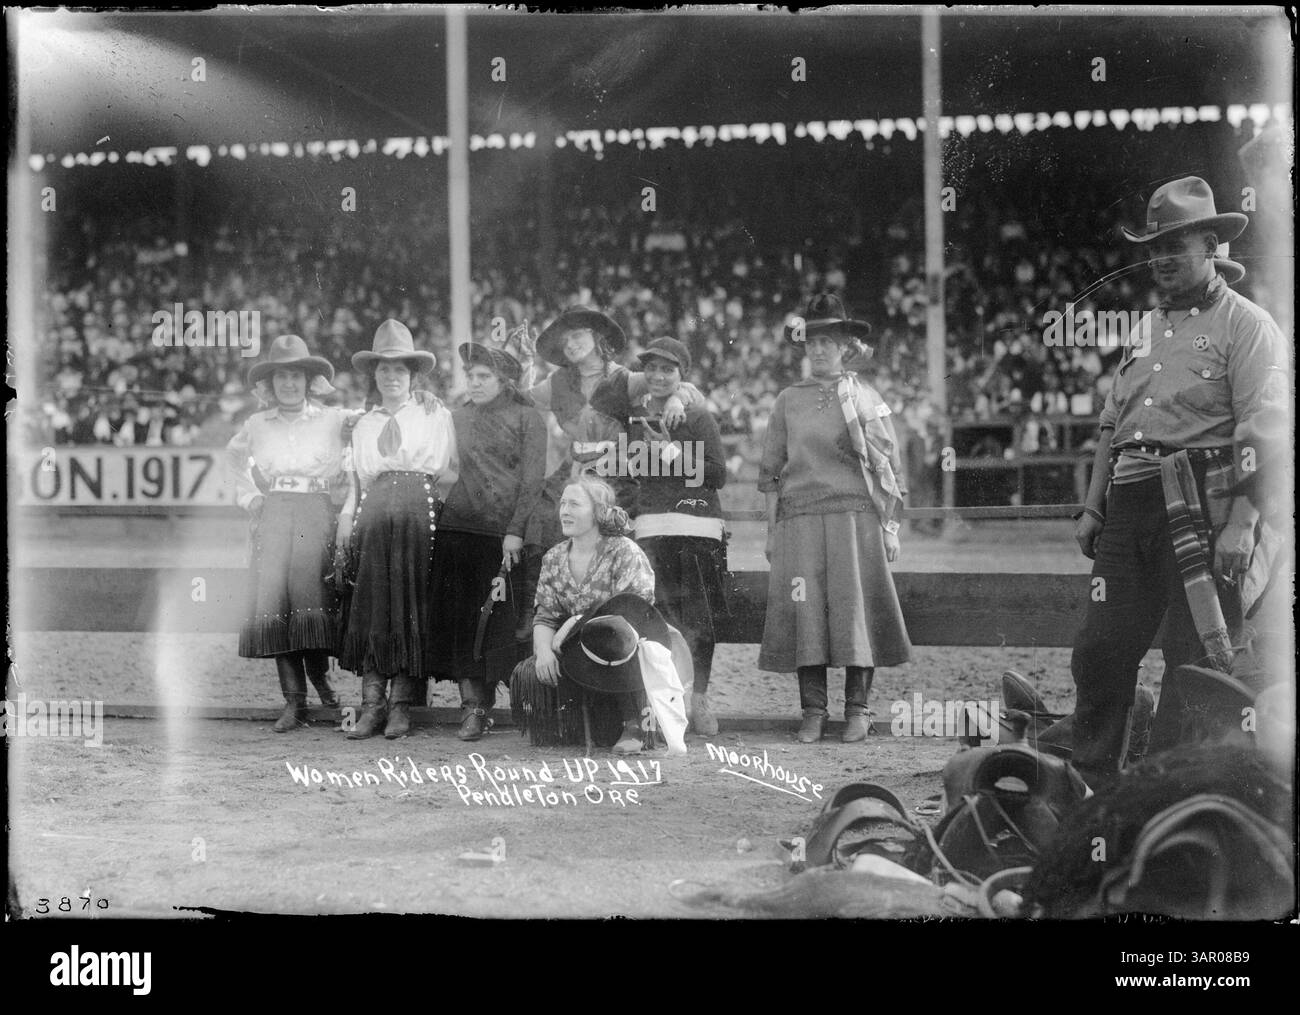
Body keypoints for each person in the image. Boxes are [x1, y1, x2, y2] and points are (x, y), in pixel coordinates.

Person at [1068, 176, 1288, 788]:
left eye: (1177, 245)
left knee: (1191, 656)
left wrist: (1243, 523)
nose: (1162, 259)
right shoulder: (1145, 329)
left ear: (1213, 244)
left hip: (1204, 501)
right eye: (1155, 247)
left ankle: (1165, 784)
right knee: (1100, 647)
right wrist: (1092, 509)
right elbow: (1113, 425)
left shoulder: (1248, 325)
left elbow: (1263, 432)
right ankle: (1090, 778)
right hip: (1130, 501)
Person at [757, 294, 912, 744]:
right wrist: (771, 532)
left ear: (845, 346)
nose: (820, 349)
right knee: (808, 614)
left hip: (856, 520)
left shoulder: (865, 396)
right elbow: (769, 473)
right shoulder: (788, 400)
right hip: (800, 522)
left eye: (829, 340)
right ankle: (813, 711)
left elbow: (890, 468)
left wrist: (890, 528)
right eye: (812, 341)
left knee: (855, 614)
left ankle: (858, 711)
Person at [590, 337, 729, 736]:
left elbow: (717, 475)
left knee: (699, 621)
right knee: (656, 621)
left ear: (683, 375)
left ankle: (697, 698)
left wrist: (671, 450)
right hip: (651, 531)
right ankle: (666, 702)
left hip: (697, 529)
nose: (658, 376)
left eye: (668, 370)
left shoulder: (698, 416)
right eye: (650, 368)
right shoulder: (634, 416)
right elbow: (601, 396)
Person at [336, 320, 457, 740]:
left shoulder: (432, 412)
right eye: (384, 370)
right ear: (374, 375)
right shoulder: (363, 424)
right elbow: (357, 482)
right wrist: (348, 525)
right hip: (375, 510)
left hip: (416, 510)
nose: (391, 377)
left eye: (400, 371)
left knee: (409, 605)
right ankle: (371, 707)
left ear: (412, 376)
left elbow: (446, 468)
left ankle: (402, 706)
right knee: (373, 606)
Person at [225, 334, 350, 731]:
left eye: (296, 375)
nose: (289, 384)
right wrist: (251, 499)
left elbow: (381, 420)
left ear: (310, 380)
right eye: (281, 377)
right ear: (270, 383)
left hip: (317, 513)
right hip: (275, 512)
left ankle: (322, 684)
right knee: (276, 601)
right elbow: (232, 461)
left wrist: (424, 401)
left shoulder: (334, 418)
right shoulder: (257, 424)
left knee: (312, 599)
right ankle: (294, 702)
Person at [429, 326, 547, 741]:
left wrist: (515, 532)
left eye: (483, 376)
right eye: (470, 375)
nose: (474, 383)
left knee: (503, 623)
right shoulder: (456, 416)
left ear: (504, 380)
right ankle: (472, 707)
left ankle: (516, 703)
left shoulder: (528, 417)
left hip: (505, 537)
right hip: (460, 531)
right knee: (462, 621)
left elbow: (533, 482)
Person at [509, 477, 659, 755]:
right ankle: (568, 724)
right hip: (579, 647)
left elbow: (632, 613)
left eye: (574, 504)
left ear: (599, 512)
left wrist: (573, 623)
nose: (564, 510)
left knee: (613, 641)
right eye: (562, 503)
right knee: (535, 667)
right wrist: (543, 652)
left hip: (626, 643)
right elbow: (545, 615)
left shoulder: (624, 552)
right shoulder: (553, 557)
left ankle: (633, 724)